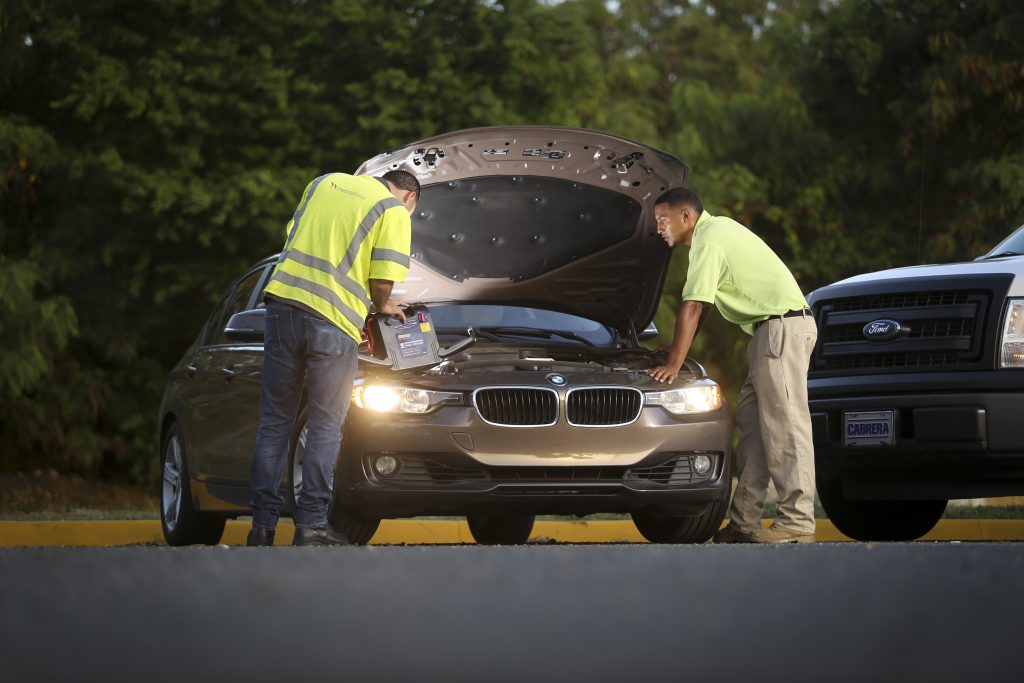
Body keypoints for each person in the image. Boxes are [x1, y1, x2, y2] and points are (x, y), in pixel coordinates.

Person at [246, 169, 419, 547]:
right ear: (409, 199)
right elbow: (382, 281)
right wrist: (383, 305)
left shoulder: (324, 182)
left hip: (281, 306)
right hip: (332, 319)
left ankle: (261, 527)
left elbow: (292, 236)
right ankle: (310, 525)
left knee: (275, 421)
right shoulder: (392, 210)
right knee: (325, 426)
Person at [647, 188, 817, 544]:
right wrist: (679, 347)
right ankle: (744, 524)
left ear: (685, 217)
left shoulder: (708, 241)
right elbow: (705, 306)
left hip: (782, 330)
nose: (659, 228)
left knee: (786, 426)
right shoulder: (714, 233)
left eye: (662, 220)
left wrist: (674, 363)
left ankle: (798, 522)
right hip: (769, 334)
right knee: (754, 430)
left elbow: (692, 306)